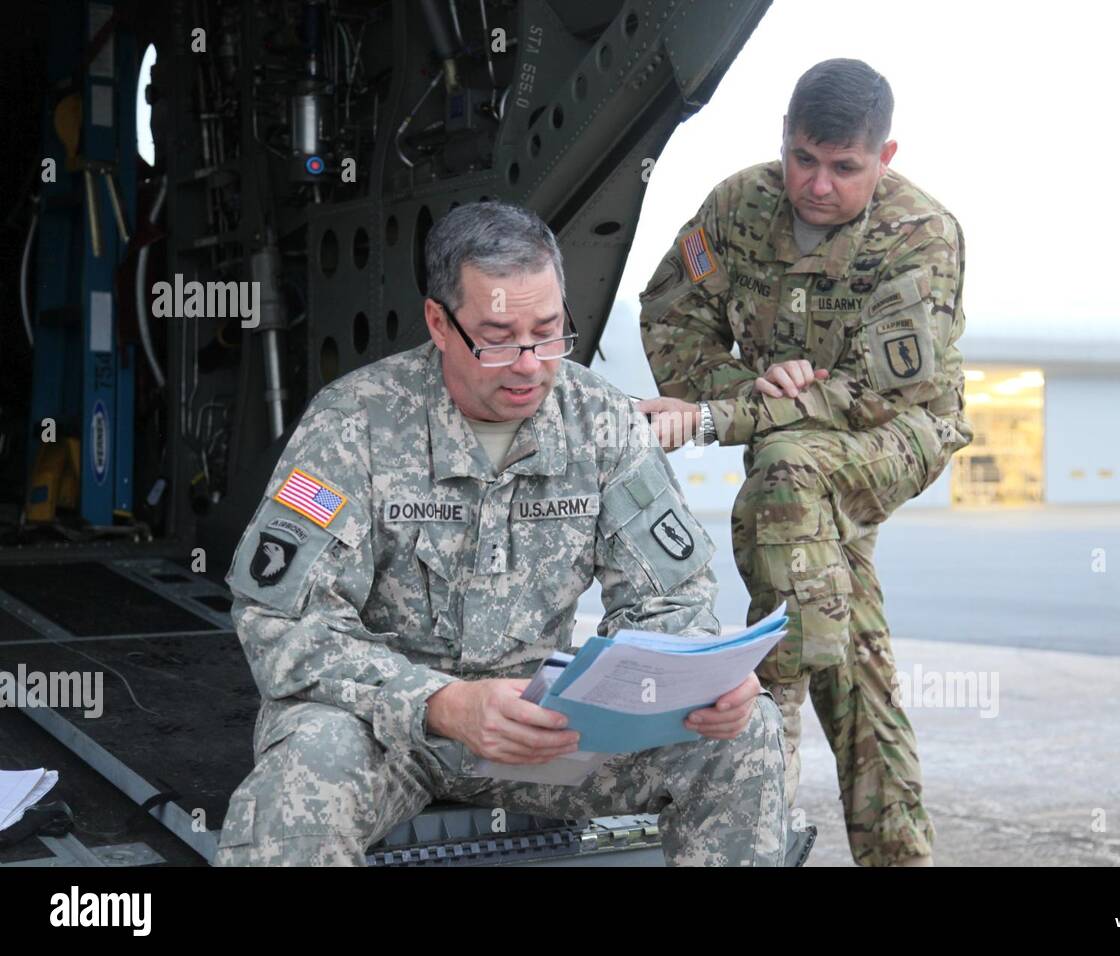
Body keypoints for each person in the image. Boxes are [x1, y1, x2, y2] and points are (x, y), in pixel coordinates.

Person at [214, 201, 786, 867]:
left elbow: (671, 597)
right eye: (498, 338)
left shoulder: (601, 421)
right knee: (308, 768)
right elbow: (281, 623)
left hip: (538, 729)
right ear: (439, 323)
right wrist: (439, 703)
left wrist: (698, 680)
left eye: (548, 333)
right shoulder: (354, 423)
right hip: (388, 729)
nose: (529, 365)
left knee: (747, 732)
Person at [637, 58, 973, 867]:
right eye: (802, 158)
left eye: (844, 167)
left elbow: (869, 395)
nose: (817, 185)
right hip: (793, 430)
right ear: (784, 141)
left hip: (902, 430)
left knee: (786, 470)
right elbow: (671, 314)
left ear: (883, 158)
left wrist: (727, 415)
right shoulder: (737, 206)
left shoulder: (918, 235)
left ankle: (770, 714)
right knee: (848, 630)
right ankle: (900, 855)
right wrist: (745, 383)